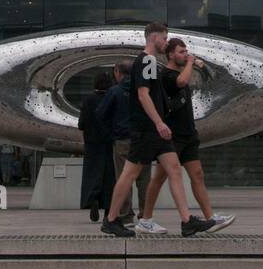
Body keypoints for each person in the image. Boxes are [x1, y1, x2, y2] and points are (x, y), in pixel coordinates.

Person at [101, 22, 216, 238]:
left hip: (155, 129)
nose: (166, 42)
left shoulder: (151, 62)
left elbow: (153, 94)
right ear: (154, 38)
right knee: (129, 174)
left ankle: (186, 221)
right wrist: (159, 122)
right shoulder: (145, 60)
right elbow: (143, 95)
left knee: (174, 169)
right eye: (164, 38)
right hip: (146, 129)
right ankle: (111, 220)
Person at [136, 37, 235, 235]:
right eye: (181, 51)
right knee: (159, 179)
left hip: (188, 134)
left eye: (186, 51)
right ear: (171, 54)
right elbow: (181, 81)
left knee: (197, 175)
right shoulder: (167, 75)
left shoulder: (180, 73)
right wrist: (191, 63)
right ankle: (145, 219)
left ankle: (210, 218)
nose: (185, 54)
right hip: (173, 136)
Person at [97, 59, 150, 226]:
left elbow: (100, 114)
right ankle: (145, 216)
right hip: (143, 139)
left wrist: (111, 131)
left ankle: (126, 216)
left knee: (123, 178)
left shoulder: (114, 91)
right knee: (144, 180)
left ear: (118, 72)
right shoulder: (144, 91)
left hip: (122, 140)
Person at [78, 71, 116, 223]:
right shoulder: (111, 98)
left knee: (92, 174)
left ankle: (92, 200)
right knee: (109, 176)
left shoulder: (88, 100)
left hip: (92, 144)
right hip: (109, 143)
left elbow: (81, 124)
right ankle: (108, 209)